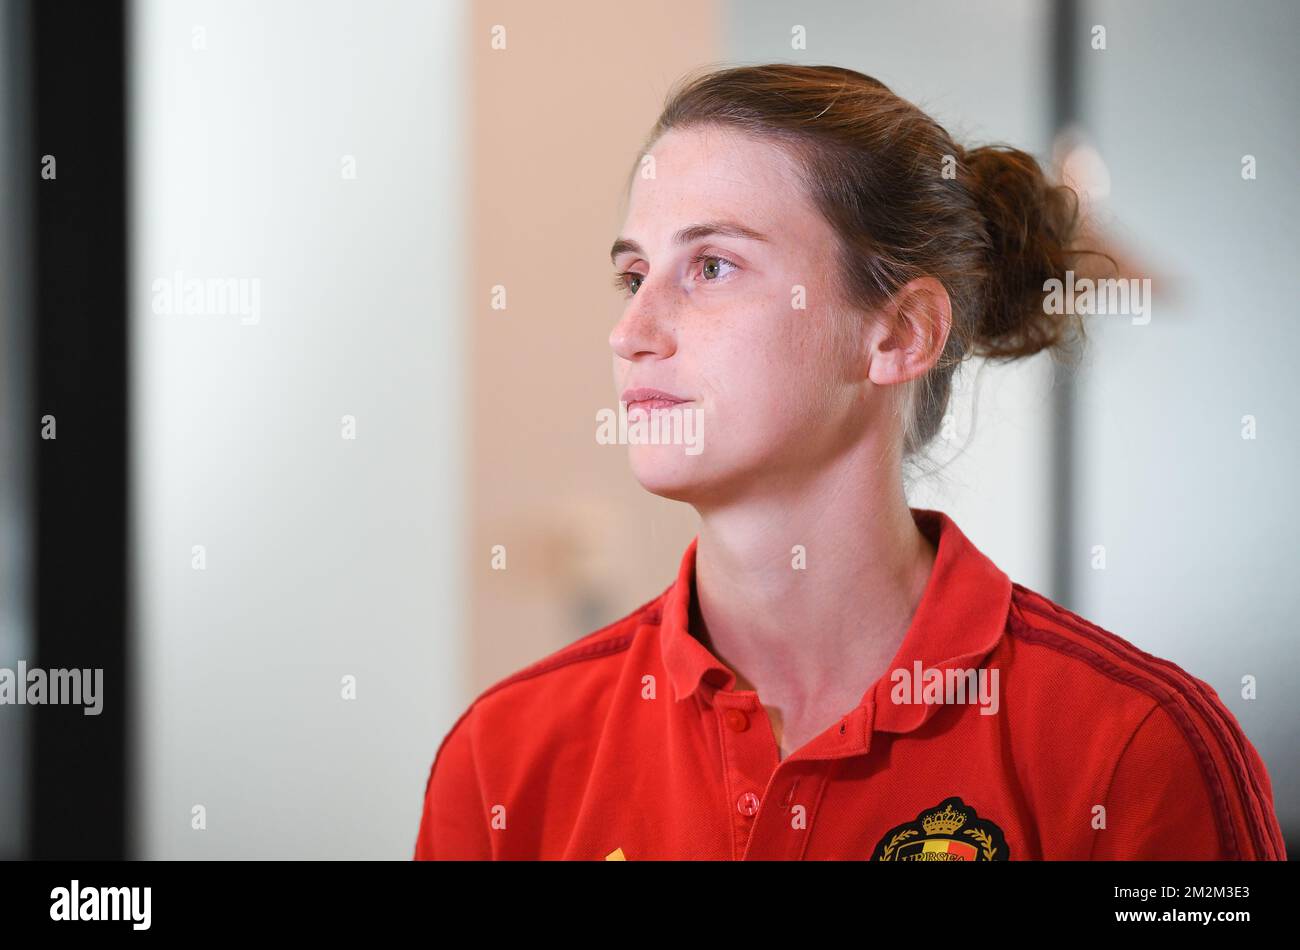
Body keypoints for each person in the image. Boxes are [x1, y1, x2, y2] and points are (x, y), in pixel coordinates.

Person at [414, 64, 1285, 860]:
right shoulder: (504, 756)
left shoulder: (1137, 748)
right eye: (634, 276)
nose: (631, 333)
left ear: (899, 335)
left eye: (712, 266)